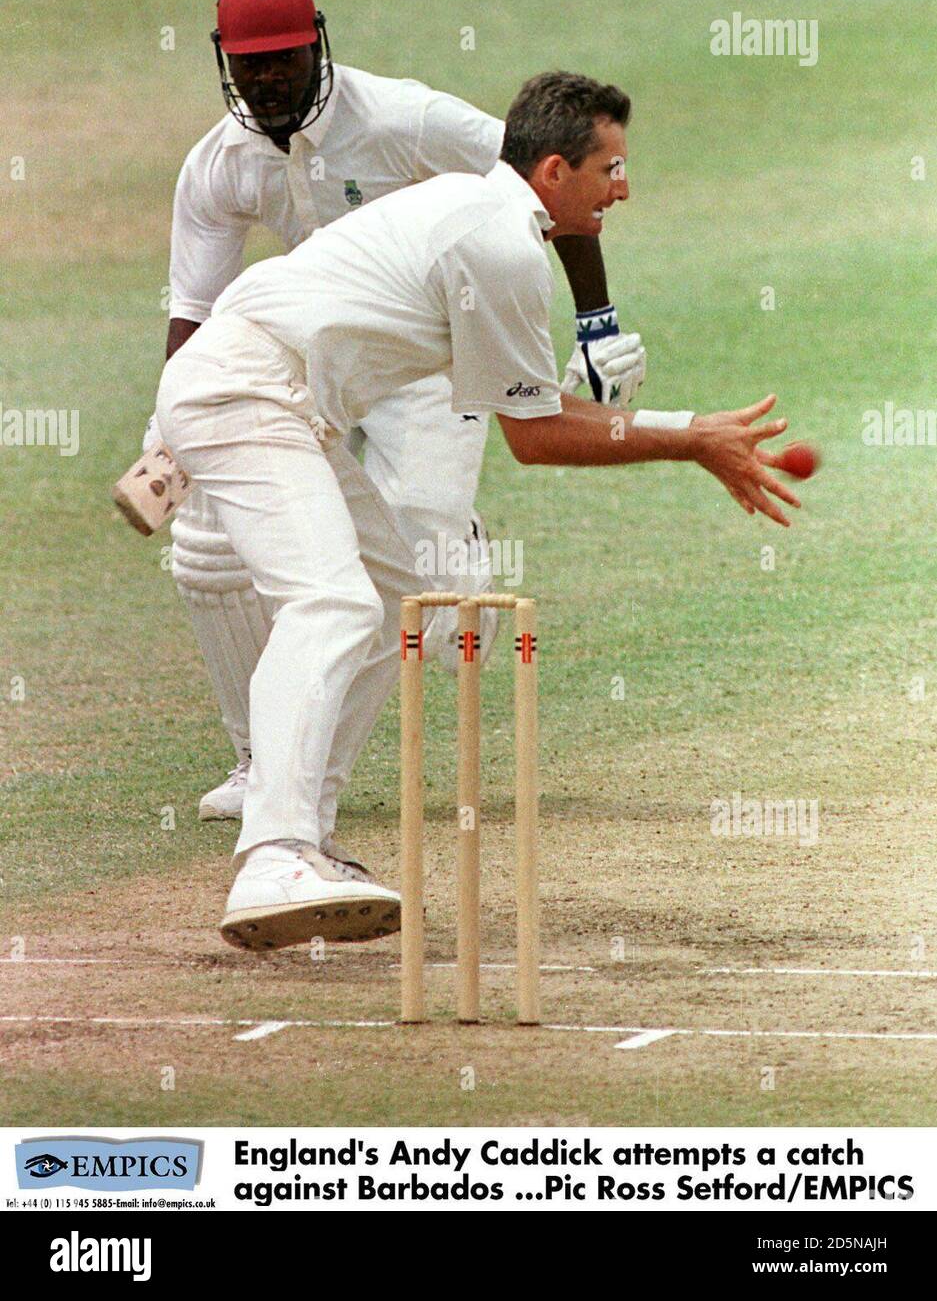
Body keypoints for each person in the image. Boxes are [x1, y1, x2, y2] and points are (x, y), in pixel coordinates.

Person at [155, 70, 800, 953]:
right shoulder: (495, 245)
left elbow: (535, 415)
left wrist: (684, 428)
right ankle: (275, 852)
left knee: (391, 599)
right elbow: (535, 440)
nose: (624, 187)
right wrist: (689, 441)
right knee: (333, 603)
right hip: (245, 394)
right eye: (609, 168)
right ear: (551, 172)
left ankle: (305, 835)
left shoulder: (485, 216)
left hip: (278, 400)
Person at [155, 0, 646, 824]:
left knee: (428, 588)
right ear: (224, 62)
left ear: (319, 44)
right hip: (301, 368)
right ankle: (254, 762)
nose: (269, 79)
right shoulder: (216, 166)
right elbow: (193, 308)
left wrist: (596, 321)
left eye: (286, 59)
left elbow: (551, 189)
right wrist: (169, 434)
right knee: (205, 548)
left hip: (434, 364)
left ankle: (449, 542)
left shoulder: (405, 117)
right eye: (251, 64)